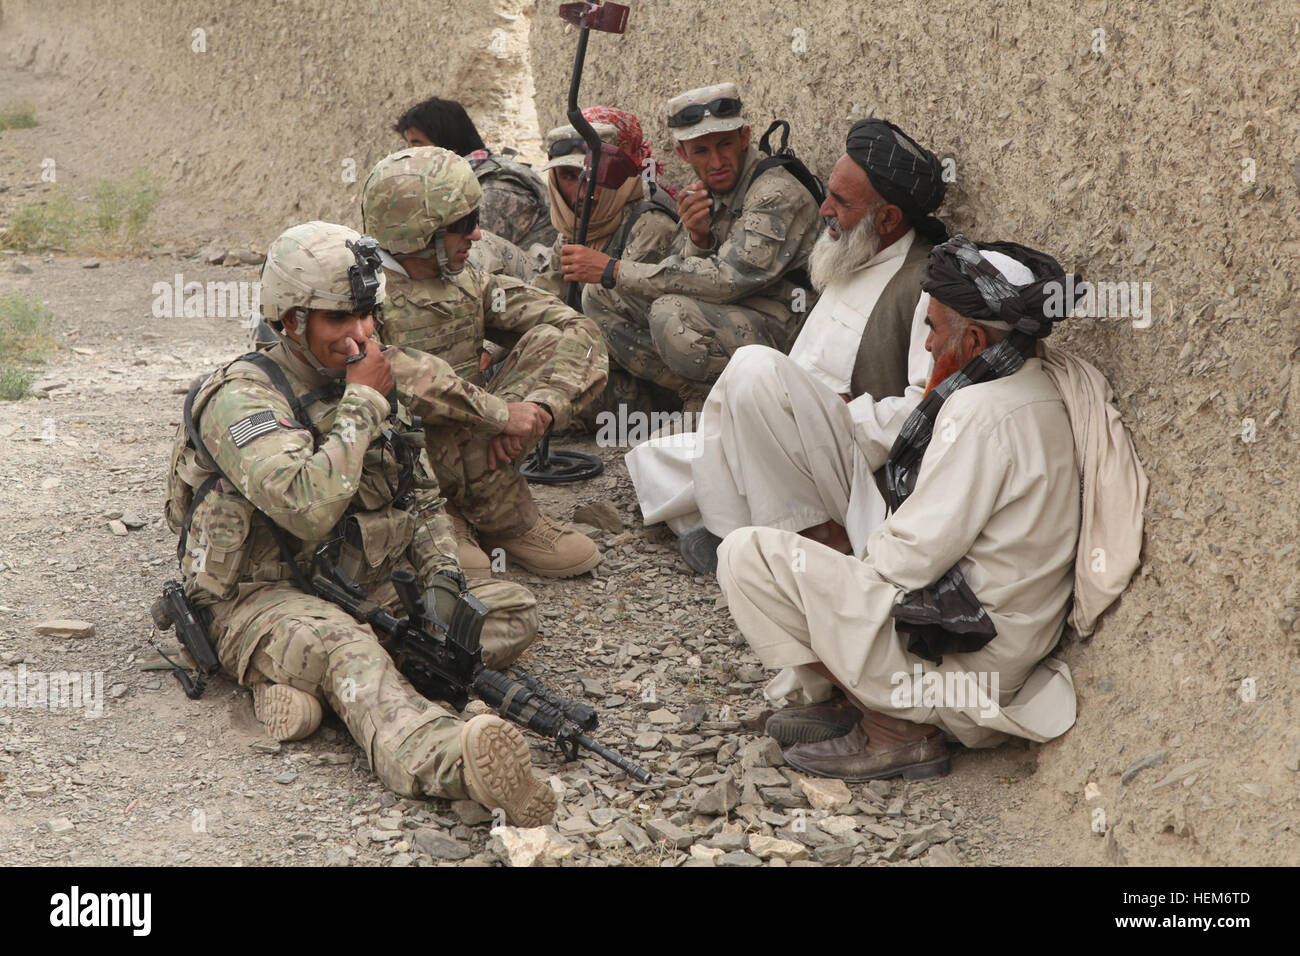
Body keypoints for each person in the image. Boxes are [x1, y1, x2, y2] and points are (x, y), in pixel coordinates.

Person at [163, 221, 554, 824]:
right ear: (291, 320)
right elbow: (306, 506)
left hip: (354, 586)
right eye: (339, 320)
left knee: (505, 613)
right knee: (347, 647)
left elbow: (419, 494)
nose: (361, 334)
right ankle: (450, 760)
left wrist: (441, 589)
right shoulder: (242, 397)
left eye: (368, 314)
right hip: (257, 600)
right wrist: (364, 404)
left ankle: (322, 690)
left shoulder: (365, 376)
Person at [715, 236, 1145, 780]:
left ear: (972, 339)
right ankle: (868, 697)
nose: (925, 345)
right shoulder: (1034, 387)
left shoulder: (981, 411)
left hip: (966, 654)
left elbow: (912, 557)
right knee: (823, 565)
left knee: (747, 556)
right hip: (1002, 642)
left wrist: (835, 593)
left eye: (933, 329)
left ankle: (896, 722)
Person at [625, 119, 949, 573]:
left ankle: (816, 537)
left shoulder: (921, 284)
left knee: (753, 367)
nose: (824, 211)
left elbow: (927, 410)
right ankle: (757, 527)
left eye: (840, 201)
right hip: (792, 441)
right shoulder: (852, 251)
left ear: (889, 218)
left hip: (851, 459)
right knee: (660, 451)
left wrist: (842, 411)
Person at [361, 146, 607, 578]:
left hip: (478, 448)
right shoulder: (359, 296)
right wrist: (499, 414)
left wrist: (540, 410)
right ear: (420, 232)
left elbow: (574, 328)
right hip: (408, 473)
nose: (476, 236)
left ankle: (499, 510)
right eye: (463, 225)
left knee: (552, 339)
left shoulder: (467, 281)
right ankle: (442, 518)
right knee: (469, 571)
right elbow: (388, 369)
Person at [579, 82, 822, 413]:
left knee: (669, 311)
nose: (717, 161)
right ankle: (701, 395)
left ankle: (736, 403)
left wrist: (614, 269)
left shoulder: (775, 193)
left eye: (725, 145)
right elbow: (688, 270)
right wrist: (698, 240)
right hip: (739, 313)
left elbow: (727, 280)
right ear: (683, 153)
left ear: (745, 137)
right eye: (702, 151)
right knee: (601, 296)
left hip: (790, 326)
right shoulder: (707, 193)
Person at [394, 97, 557, 252]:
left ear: (448, 148)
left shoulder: (497, 189)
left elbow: (474, 256)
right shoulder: (457, 184)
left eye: (418, 146)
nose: (411, 156)